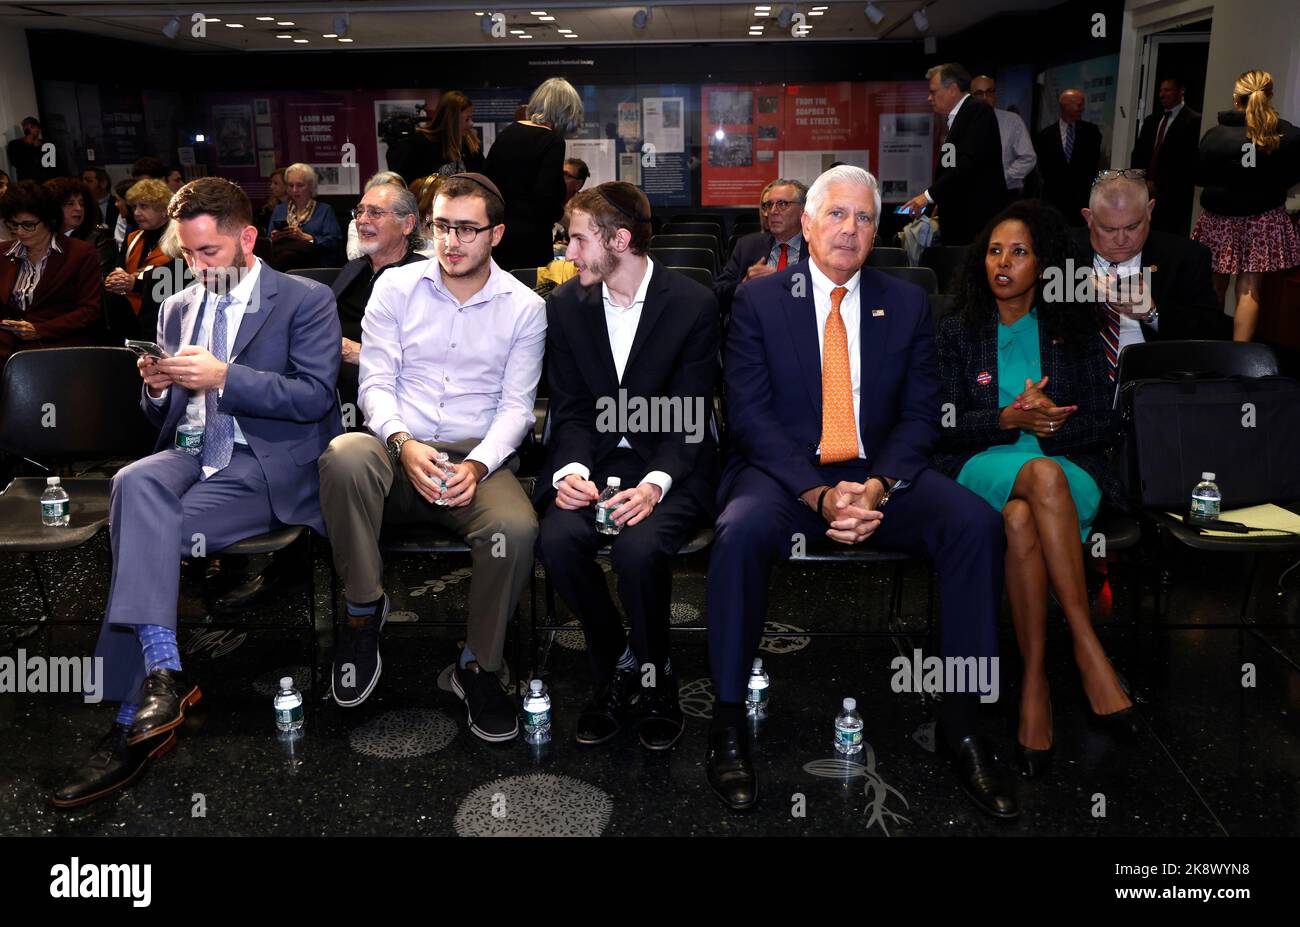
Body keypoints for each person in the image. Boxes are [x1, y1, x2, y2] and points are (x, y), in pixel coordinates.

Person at [706, 165, 1016, 818]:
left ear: (879, 230)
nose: (850, 228)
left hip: (883, 478)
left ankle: (963, 727)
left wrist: (875, 486)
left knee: (976, 526)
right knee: (738, 533)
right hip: (784, 478)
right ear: (809, 224)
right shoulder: (759, 300)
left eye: (865, 217)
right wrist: (819, 496)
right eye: (837, 214)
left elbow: (922, 414)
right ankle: (729, 721)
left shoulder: (905, 302)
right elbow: (750, 419)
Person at [48, 176, 342, 808]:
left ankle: (132, 714)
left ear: (246, 238)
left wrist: (226, 378)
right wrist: (156, 384)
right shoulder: (178, 307)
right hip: (187, 453)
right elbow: (163, 409)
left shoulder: (304, 300)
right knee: (131, 479)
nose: (196, 266)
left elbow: (317, 397)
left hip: (258, 463)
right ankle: (163, 673)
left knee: (140, 525)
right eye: (187, 253)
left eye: (208, 252)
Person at [316, 173, 545, 742]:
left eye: (468, 229)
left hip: (474, 456)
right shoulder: (394, 288)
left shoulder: (525, 307)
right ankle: (364, 611)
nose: (453, 241)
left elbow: (518, 408)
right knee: (345, 454)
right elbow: (374, 383)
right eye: (443, 225)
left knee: (514, 529)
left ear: (496, 234)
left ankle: (479, 665)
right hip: (396, 450)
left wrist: (476, 466)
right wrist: (402, 441)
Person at [933, 201, 1137, 778]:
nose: (1003, 262)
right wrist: (1008, 420)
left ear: (1044, 263)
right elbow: (939, 425)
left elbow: (1107, 422)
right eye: (995, 251)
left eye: (1019, 252)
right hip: (983, 462)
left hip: (1068, 462)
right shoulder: (957, 331)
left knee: (1023, 518)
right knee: (1037, 479)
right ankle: (1087, 646)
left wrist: (1055, 418)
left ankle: (1036, 684)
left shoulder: (1077, 328)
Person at [536, 182, 718, 753]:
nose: (567, 252)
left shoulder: (692, 303)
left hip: (669, 466)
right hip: (592, 462)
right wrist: (568, 470)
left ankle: (656, 675)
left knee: (639, 552)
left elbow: (691, 416)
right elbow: (567, 408)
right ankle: (618, 656)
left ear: (619, 240)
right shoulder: (565, 306)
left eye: (578, 240)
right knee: (557, 541)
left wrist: (653, 487)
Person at [213, 184, 430, 614]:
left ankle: (302, 565)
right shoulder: (352, 270)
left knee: (312, 438)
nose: (362, 220)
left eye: (376, 213)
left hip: (394, 406)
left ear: (408, 225)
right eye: (360, 211)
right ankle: (236, 545)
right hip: (328, 395)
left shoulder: (425, 279)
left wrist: (350, 351)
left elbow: (431, 367)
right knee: (273, 422)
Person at [1073, 171, 1229, 377]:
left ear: (1149, 211)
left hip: (1151, 384)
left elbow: (1211, 332)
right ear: (1089, 218)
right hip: (1075, 382)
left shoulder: (1183, 257)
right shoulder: (1061, 250)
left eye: (1132, 227)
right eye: (1108, 229)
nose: (1121, 240)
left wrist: (1153, 313)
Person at [1193, 69, 1300, 342]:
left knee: (1215, 284)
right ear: (1270, 95)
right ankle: (1238, 360)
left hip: (1219, 219)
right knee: (1250, 289)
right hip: (1263, 218)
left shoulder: (1214, 136)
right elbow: (1293, 175)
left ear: (1235, 96)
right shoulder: (1289, 135)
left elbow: (1199, 177)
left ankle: (1207, 350)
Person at [902, 63, 1007, 246]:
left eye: (933, 92)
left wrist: (928, 196)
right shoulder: (957, 118)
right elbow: (951, 166)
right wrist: (940, 198)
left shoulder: (977, 111)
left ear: (952, 89)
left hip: (975, 221)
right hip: (960, 219)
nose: (929, 98)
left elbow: (968, 164)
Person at [486, 77, 584, 271]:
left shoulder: (508, 133)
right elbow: (546, 198)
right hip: (530, 241)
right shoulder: (552, 141)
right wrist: (570, 223)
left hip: (498, 235)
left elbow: (487, 183)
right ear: (566, 112)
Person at [0, 180, 102, 362]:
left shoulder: (79, 253)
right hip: (7, 350)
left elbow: (89, 310)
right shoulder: (4, 253)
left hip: (58, 348)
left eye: (28, 225)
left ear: (49, 221)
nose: (20, 232)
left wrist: (41, 329)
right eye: (13, 225)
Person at [714, 178, 806, 320]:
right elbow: (717, 296)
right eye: (769, 205)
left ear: (802, 211)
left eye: (782, 204)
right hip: (755, 329)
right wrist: (744, 284)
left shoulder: (818, 251)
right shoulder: (747, 246)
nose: (773, 211)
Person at [1130, 78, 1202, 235]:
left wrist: (1158, 183)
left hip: (1174, 197)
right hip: (1145, 193)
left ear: (1181, 91)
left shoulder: (1194, 121)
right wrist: (1142, 181)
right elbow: (1138, 154)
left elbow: (1187, 162)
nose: (1162, 94)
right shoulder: (1151, 120)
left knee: (1168, 242)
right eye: (1161, 91)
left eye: (1167, 90)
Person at [104, 177, 173, 339]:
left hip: (165, 320)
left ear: (164, 209)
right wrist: (115, 280)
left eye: (144, 206)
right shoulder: (133, 237)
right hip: (131, 318)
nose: (136, 213)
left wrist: (135, 282)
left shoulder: (180, 240)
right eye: (134, 206)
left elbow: (174, 280)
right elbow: (119, 269)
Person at [386, 91, 486, 185]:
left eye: (471, 118)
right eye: (467, 119)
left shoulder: (470, 146)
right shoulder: (420, 145)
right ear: (452, 120)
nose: (471, 124)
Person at [1035, 90, 1103, 226]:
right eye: (1079, 104)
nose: (1082, 108)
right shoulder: (1045, 135)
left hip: (1081, 201)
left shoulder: (1091, 132)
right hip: (1054, 202)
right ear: (1066, 106)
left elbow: (1092, 164)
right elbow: (1044, 168)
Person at [970, 75, 1037, 199]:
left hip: (1006, 193)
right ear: (971, 97)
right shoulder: (962, 123)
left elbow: (1028, 157)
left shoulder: (1012, 121)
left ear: (995, 94)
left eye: (989, 92)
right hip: (971, 194)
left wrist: (1002, 177)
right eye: (979, 93)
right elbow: (950, 160)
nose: (985, 98)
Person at [266, 163, 343, 270]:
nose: (294, 190)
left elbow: (334, 242)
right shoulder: (279, 210)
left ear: (311, 186)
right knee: (286, 255)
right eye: (290, 185)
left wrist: (306, 238)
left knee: (292, 253)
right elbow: (268, 241)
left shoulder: (324, 210)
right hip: (283, 259)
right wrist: (275, 237)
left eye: (300, 185)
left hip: (315, 264)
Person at [45, 176, 116, 277]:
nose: (79, 208)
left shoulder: (99, 239)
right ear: (53, 207)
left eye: (82, 203)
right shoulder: (43, 237)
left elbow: (98, 279)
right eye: (70, 204)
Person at [345, 171, 407, 260]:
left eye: (401, 191)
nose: (363, 220)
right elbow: (353, 257)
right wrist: (368, 237)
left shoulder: (409, 220)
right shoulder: (359, 222)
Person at [6, 117, 62, 183]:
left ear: (39, 129)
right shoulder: (15, 144)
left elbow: (55, 167)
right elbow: (16, 162)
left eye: (32, 127)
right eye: (26, 128)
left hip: (47, 185)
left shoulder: (48, 146)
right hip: (28, 186)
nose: (29, 131)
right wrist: (28, 145)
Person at [552, 158, 590, 249]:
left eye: (566, 175)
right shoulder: (548, 199)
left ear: (578, 184)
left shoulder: (586, 207)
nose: (560, 178)